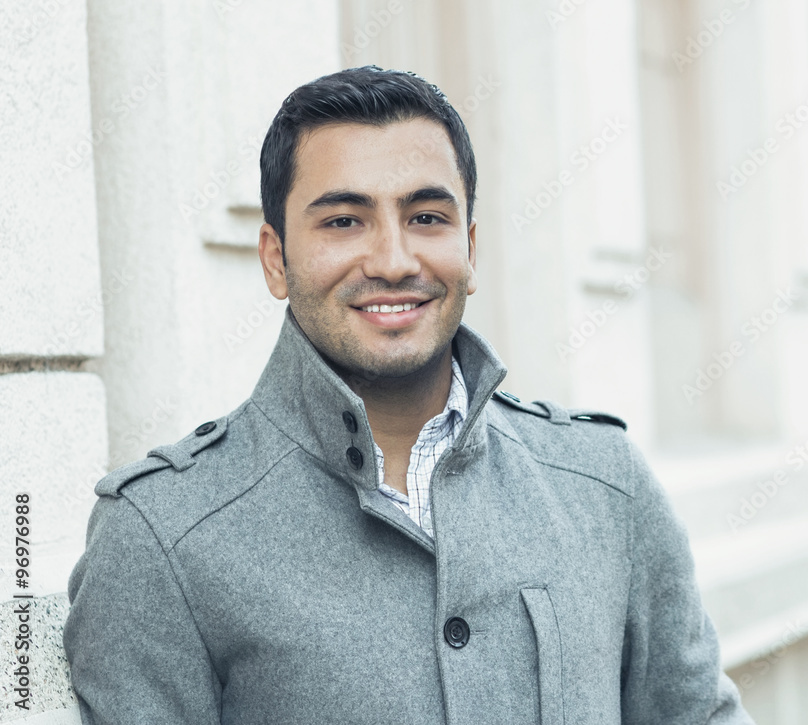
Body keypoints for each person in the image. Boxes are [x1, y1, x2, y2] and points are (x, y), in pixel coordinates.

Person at [64, 66, 754, 724]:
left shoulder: (605, 483)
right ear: (276, 258)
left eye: (426, 217)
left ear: (471, 249)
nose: (394, 260)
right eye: (343, 221)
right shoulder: (159, 535)